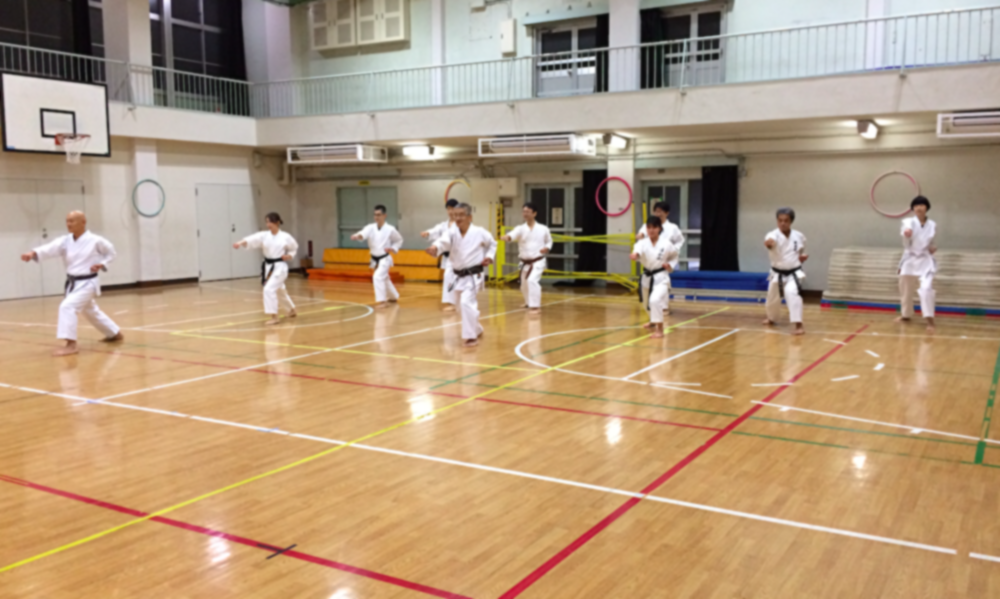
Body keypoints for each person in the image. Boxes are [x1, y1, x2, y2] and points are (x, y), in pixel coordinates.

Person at [19, 211, 123, 356]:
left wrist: (102, 263)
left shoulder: (96, 240)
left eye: (72, 221)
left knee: (67, 307)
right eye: (67, 221)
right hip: (73, 283)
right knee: (90, 311)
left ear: (83, 222)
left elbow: (111, 252)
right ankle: (115, 333)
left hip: (88, 283)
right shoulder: (65, 240)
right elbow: (49, 248)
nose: (68, 224)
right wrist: (33, 253)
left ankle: (71, 345)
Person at [426, 202, 497, 347]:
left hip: (473, 274)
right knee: (461, 307)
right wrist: (435, 247)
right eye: (455, 215)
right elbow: (443, 242)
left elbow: (492, 243)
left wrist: (489, 256)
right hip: (457, 275)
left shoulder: (479, 232)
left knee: (466, 302)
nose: (457, 218)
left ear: (469, 217)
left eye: (461, 215)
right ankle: (476, 328)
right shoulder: (452, 231)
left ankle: (471, 337)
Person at [232, 212, 298, 326]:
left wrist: (290, 256)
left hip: (280, 268)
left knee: (268, 289)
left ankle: (274, 316)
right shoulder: (264, 235)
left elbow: (294, 248)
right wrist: (240, 243)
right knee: (279, 290)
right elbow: (252, 239)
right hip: (268, 267)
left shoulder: (285, 237)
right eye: (267, 222)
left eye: (270, 222)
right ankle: (291, 310)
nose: (268, 224)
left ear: (277, 222)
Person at [630, 216, 679, 339]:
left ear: (659, 229)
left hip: (661, 277)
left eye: (654, 227)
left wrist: (670, 265)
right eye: (649, 227)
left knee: (654, 300)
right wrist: (635, 255)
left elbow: (674, 256)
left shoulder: (666, 244)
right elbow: (637, 251)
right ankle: (652, 322)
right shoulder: (642, 243)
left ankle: (660, 330)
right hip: (647, 276)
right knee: (646, 303)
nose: (651, 230)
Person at [763, 207, 808, 336]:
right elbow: (769, 242)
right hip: (777, 273)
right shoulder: (773, 234)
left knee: (792, 293)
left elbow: (801, 250)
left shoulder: (799, 236)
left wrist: (802, 257)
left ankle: (799, 325)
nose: (782, 223)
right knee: (772, 298)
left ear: (791, 221)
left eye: (786, 220)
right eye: (780, 220)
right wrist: (768, 243)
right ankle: (771, 318)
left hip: (794, 273)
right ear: (777, 221)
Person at [502, 202, 553, 313]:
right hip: (525, 261)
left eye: (528, 212)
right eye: (524, 211)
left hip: (537, 261)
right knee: (523, 284)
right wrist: (508, 237)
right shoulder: (520, 228)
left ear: (534, 213)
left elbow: (549, 241)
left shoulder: (543, 228)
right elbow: (512, 235)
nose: (525, 214)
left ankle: (535, 306)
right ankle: (528, 302)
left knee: (532, 281)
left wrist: (547, 248)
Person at [896, 196, 937, 333]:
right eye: (916, 206)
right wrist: (906, 234)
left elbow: (928, 241)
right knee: (905, 289)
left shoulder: (932, 224)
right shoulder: (908, 221)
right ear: (913, 208)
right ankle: (906, 315)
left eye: (922, 205)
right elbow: (906, 234)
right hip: (909, 259)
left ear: (926, 207)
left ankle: (930, 321)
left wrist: (931, 247)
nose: (919, 208)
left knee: (926, 289)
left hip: (925, 260)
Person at [351, 205, 403, 308]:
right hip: (374, 258)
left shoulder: (390, 229)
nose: (376, 217)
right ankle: (393, 296)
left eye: (379, 215)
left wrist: (393, 248)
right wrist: (358, 236)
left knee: (377, 277)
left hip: (385, 258)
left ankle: (382, 302)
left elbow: (399, 240)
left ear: (384, 215)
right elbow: (363, 234)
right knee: (385, 278)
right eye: (375, 215)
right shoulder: (370, 227)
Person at [421, 199, 460, 311]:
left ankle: (454, 302)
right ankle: (451, 302)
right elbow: (435, 230)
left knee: (454, 277)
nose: (450, 211)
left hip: (460, 256)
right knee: (448, 276)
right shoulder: (443, 225)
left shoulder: (461, 223)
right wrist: (428, 233)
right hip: (449, 257)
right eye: (448, 209)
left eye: (452, 208)